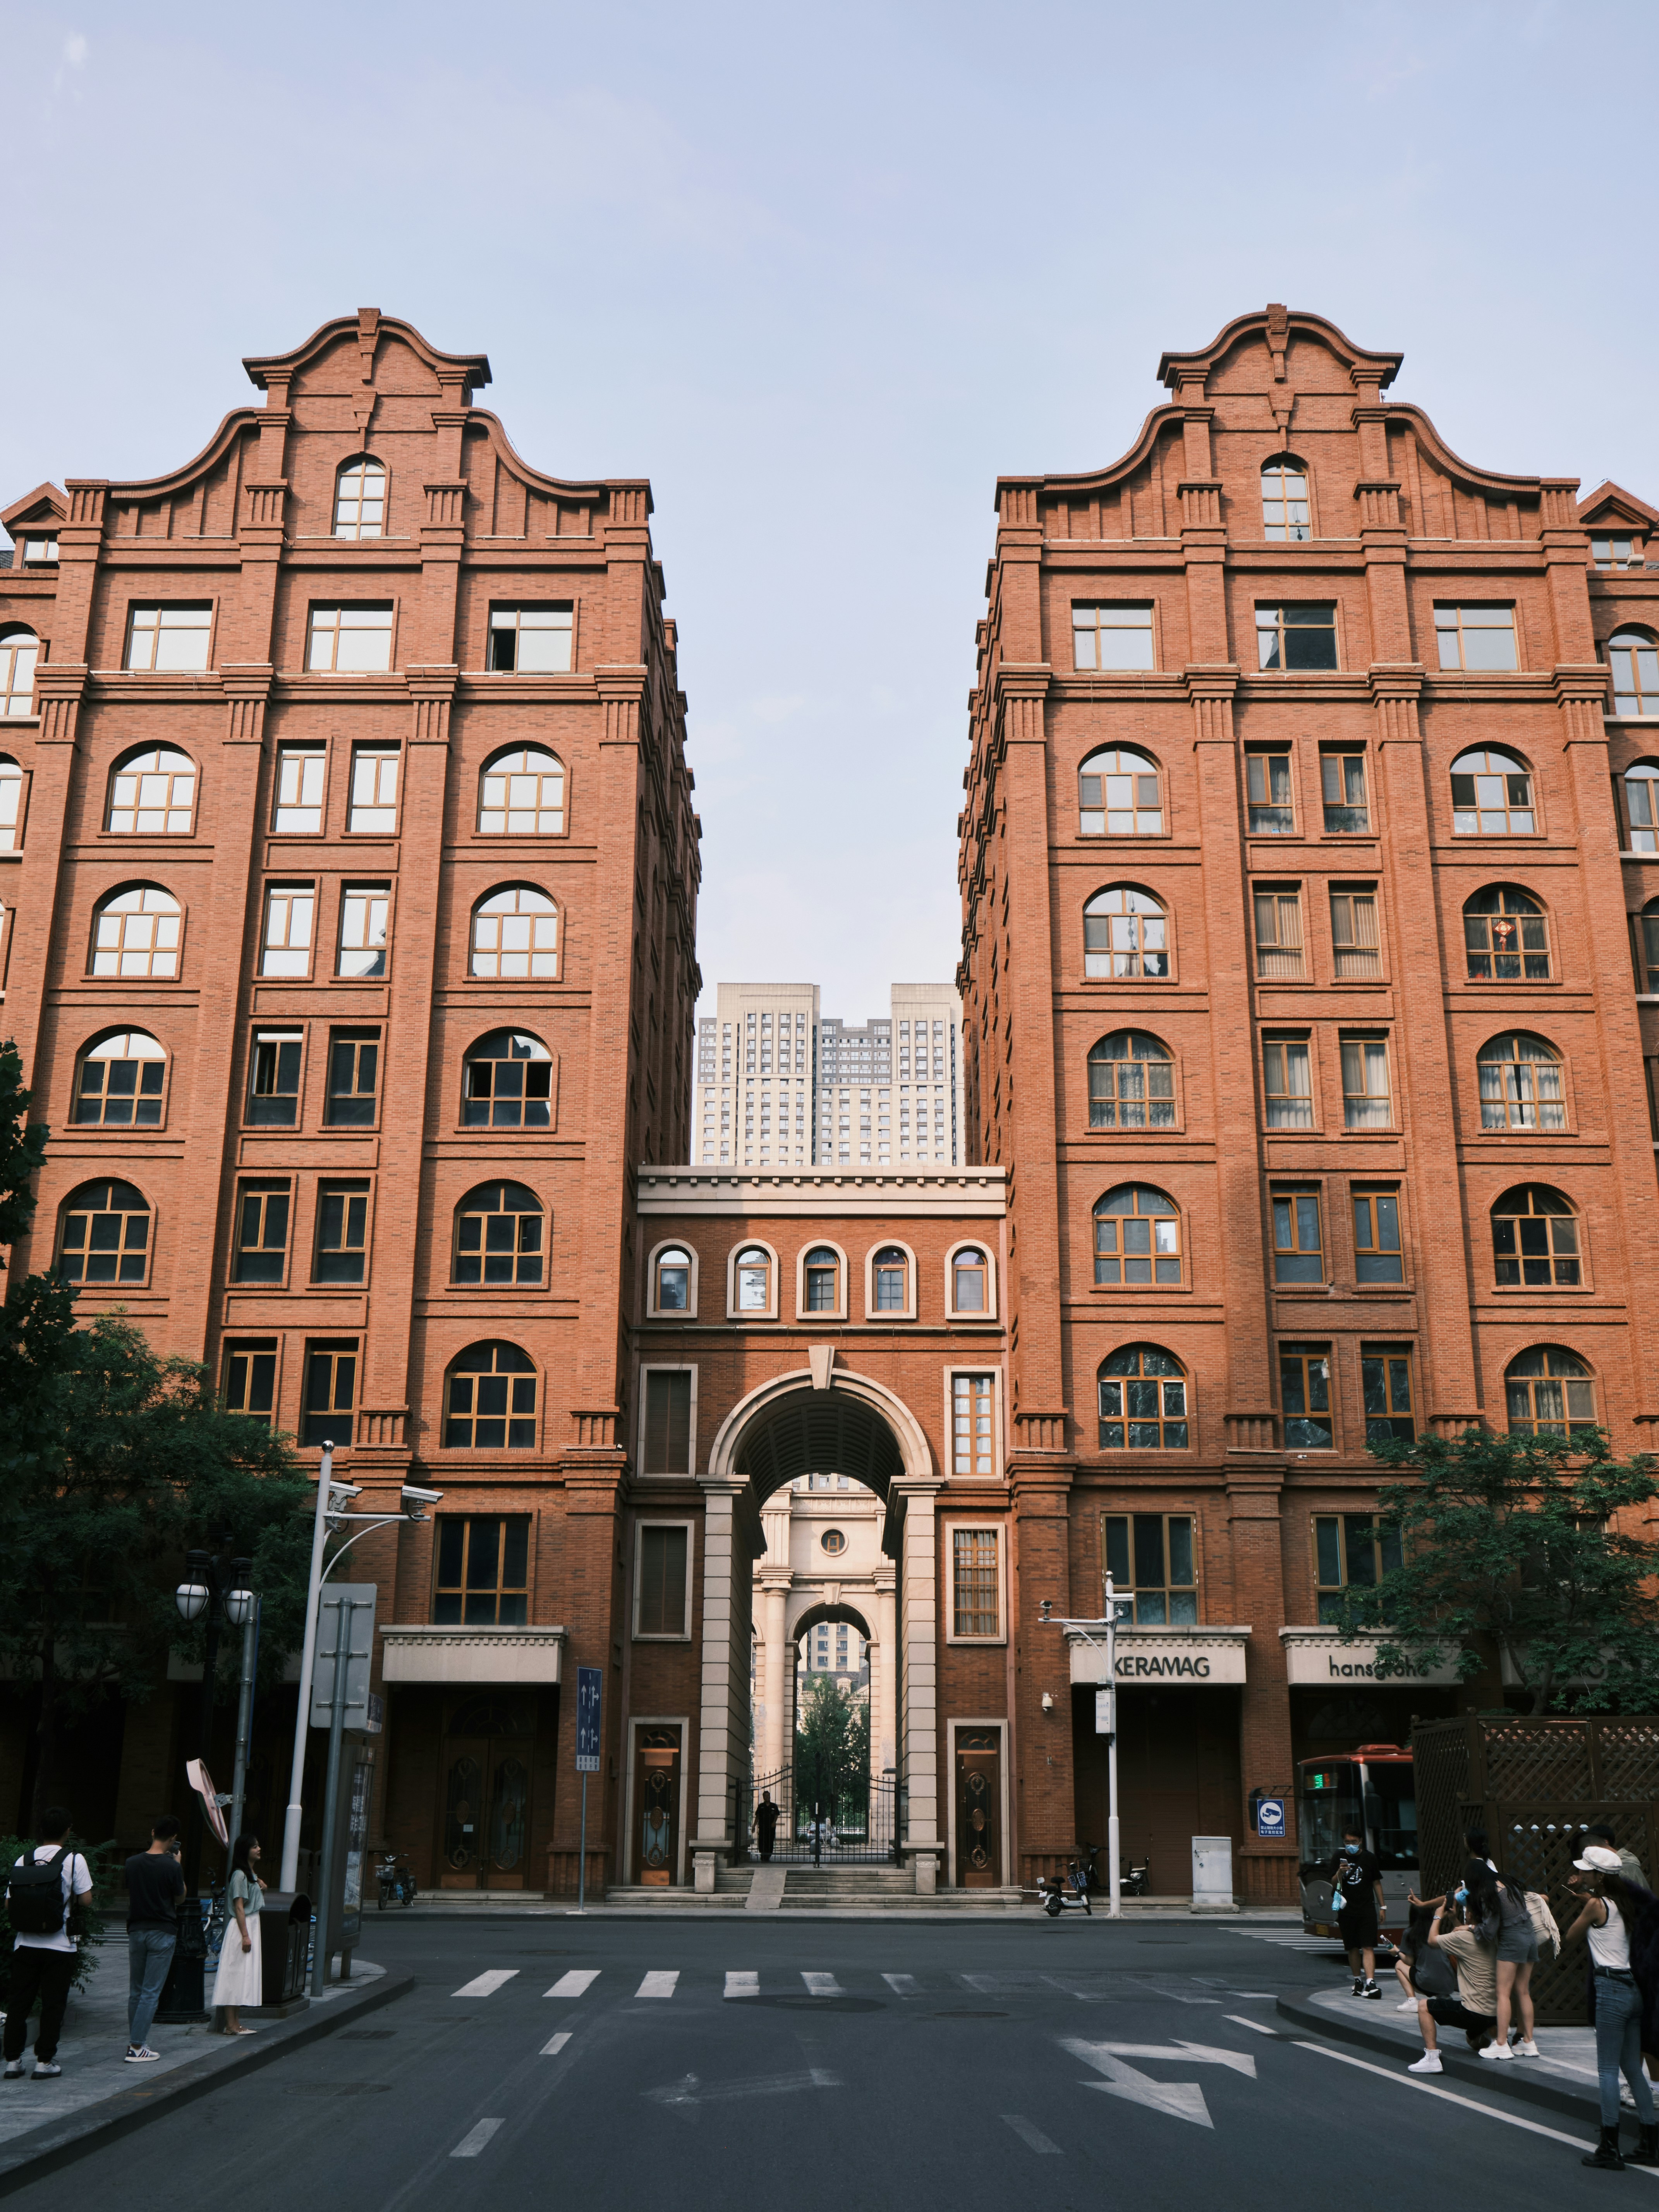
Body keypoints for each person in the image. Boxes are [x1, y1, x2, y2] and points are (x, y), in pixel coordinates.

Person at [1563, 1843, 1659, 2171]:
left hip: (1610, 1989)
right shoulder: (1627, 1902)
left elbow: (1570, 1937)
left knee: (1607, 2070)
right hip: (1633, 1990)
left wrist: (1584, 1906)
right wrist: (1587, 1900)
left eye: (1585, 1871)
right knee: (1633, 2069)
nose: (1580, 1874)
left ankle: (1609, 2146)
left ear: (1599, 1876)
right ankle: (1650, 2144)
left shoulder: (1596, 1906)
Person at [2, 1808, 95, 2081]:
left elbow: (10, 1902)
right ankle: (44, 2062)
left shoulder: (24, 1859)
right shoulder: (74, 1860)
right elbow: (86, 1900)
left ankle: (13, 2062)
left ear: (40, 1830)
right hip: (60, 1944)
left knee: (20, 2003)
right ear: (68, 1830)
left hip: (25, 1943)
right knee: (54, 2004)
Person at [1407, 1887, 1499, 2075]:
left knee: (1424, 2006)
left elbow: (1432, 1940)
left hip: (1473, 2011)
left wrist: (1438, 1916)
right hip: (1496, 2013)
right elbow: (1468, 1939)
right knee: (1472, 2041)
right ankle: (1497, 2044)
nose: (1465, 1913)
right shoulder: (1491, 1937)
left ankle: (1432, 2058)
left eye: (1466, 1911)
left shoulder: (1463, 1937)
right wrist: (1454, 1920)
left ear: (1471, 1915)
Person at [123, 1816, 185, 2063]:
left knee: (136, 1992)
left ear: (152, 1833)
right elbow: (180, 1899)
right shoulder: (172, 1867)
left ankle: (136, 2041)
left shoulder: (131, 1863)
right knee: (150, 1992)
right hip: (162, 1930)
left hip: (137, 1929)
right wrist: (178, 1865)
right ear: (173, 1840)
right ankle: (137, 2047)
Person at [211, 1832, 266, 2036]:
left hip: (249, 1925)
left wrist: (262, 1888)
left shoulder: (250, 1875)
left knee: (241, 1974)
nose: (259, 1849)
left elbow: (250, 1903)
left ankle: (235, 2023)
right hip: (243, 1927)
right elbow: (239, 1907)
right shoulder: (240, 1875)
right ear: (246, 1851)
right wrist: (245, 1935)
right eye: (255, 1847)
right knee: (234, 1974)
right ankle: (231, 2025)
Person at [1327, 1821, 1386, 1999]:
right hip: (1347, 1909)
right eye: (1347, 1842)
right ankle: (1357, 1980)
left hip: (1367, 1908)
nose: (1350, 1845)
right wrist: (1339, 1873)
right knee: (1352, 1947)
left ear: (1360, 1841)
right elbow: (1333, 1883)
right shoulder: (1338, 1856)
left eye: (1353, 1842)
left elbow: (1376, 1882)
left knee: (1368, 1946)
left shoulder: (1369, 1858)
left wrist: (1383, 1906)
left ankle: (1371, 1982)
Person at [1393, 1896, 1457, 2013]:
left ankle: (1412, 2001)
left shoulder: (1410, 1933)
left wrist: (1397, 1951)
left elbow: (1409, 1961)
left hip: (1426, 1983)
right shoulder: (1437, 1931)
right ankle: (1444, 1997)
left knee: (1399, 1964)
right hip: (1448, 1984)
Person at [1587, 1823, 1650, 1896]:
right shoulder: (1609, 1866)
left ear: (1605, 1843)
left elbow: (1629, 1903)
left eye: (1591, 1844)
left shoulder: (1625, 1868)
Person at [754, 1791, 780, 1864]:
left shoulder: (774, 1806)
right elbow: (758, 1817)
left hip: (771, 1828)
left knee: (770, 1842)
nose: (767, 1797)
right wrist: (754, 1826)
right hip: (763, 1828)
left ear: (770, 1797)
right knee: (762, 1842)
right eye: (766, 1796)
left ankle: (768, 1856)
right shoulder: (761, 1806)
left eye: (768, 1796)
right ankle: (763, 1855)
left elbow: (776, 1815)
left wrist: (774, 1822)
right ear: (764, 1797)